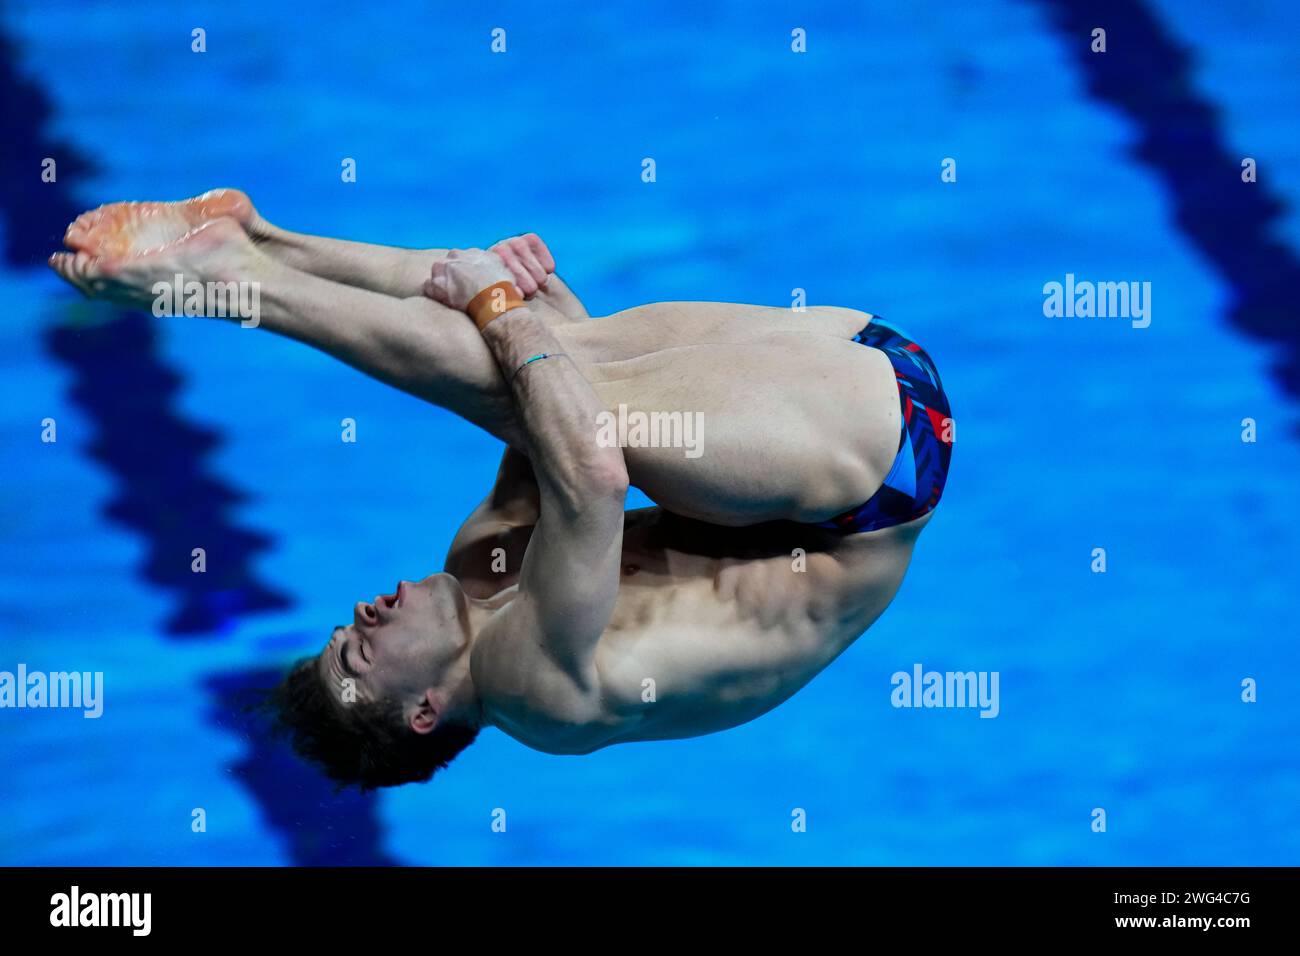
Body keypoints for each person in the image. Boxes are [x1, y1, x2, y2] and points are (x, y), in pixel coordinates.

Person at [51, 190, 954, 788]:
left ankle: (263, 242)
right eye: (359, 653)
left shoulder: (477, 567)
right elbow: (593, 468)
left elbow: (550, 380)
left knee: (521, 363)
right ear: (425, 711)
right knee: (511, 364)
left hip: (853, 363)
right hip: (874, 472)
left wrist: (530, 293)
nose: (364, 613)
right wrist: (500, 307)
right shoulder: (536, 695)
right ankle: (231, 282)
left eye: (347, 628)